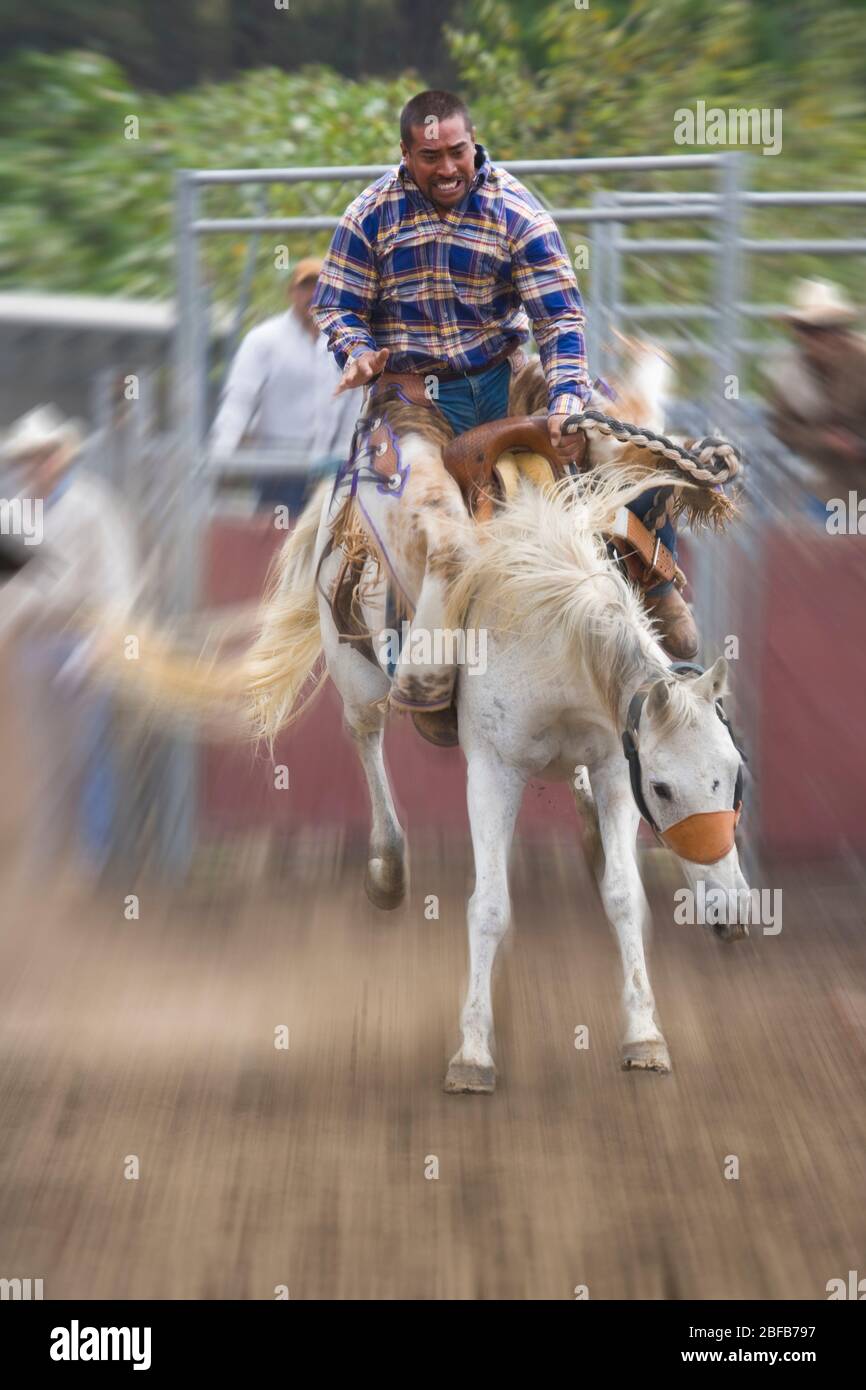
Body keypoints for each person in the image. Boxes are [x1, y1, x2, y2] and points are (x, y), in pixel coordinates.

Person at [311, 89, 696, 743]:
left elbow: (559, 317)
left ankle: (660, 589)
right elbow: (337, 304)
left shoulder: (516, 210)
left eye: (457, 151)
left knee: (629, 446)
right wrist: (357, 349)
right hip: (413, 401)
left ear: (473, 143)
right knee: (447, 536)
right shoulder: (368, 215)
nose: (448, 167)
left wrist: (568, 399)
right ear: (406, 154)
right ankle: (430, 680)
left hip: (507, 376)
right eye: (431, 156)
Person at [0, 404, 139, 876]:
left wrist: (103, 640)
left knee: (88, 752)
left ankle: (92, 861)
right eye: (28, 457)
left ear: (61, 456)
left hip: (82, 637)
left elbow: (118, 580)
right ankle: (45, 854)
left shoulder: (93, 505)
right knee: (42, 752)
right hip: (32, 643)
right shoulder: (15, 512)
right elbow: (8, 593)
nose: (36, 464)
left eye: (44, 455)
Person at [210, 257, 357, 513]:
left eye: (322, 287)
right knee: (277, 542)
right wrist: (222, 456)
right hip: (278, 471)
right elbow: (239, 400)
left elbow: (354, 404)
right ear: (292, 292)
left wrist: (346, 455)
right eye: (306, 287)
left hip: (331, 470)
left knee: (329, 546)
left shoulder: (345, 343)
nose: (313, 295)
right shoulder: (263, 340)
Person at [765, 278, 866, 507]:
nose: (820, 337)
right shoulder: (788, 374)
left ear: (842, 330)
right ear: (798, 333)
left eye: (828, 327)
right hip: (828, 489)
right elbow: (783, 429)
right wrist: (826, 440)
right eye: (808, 329)